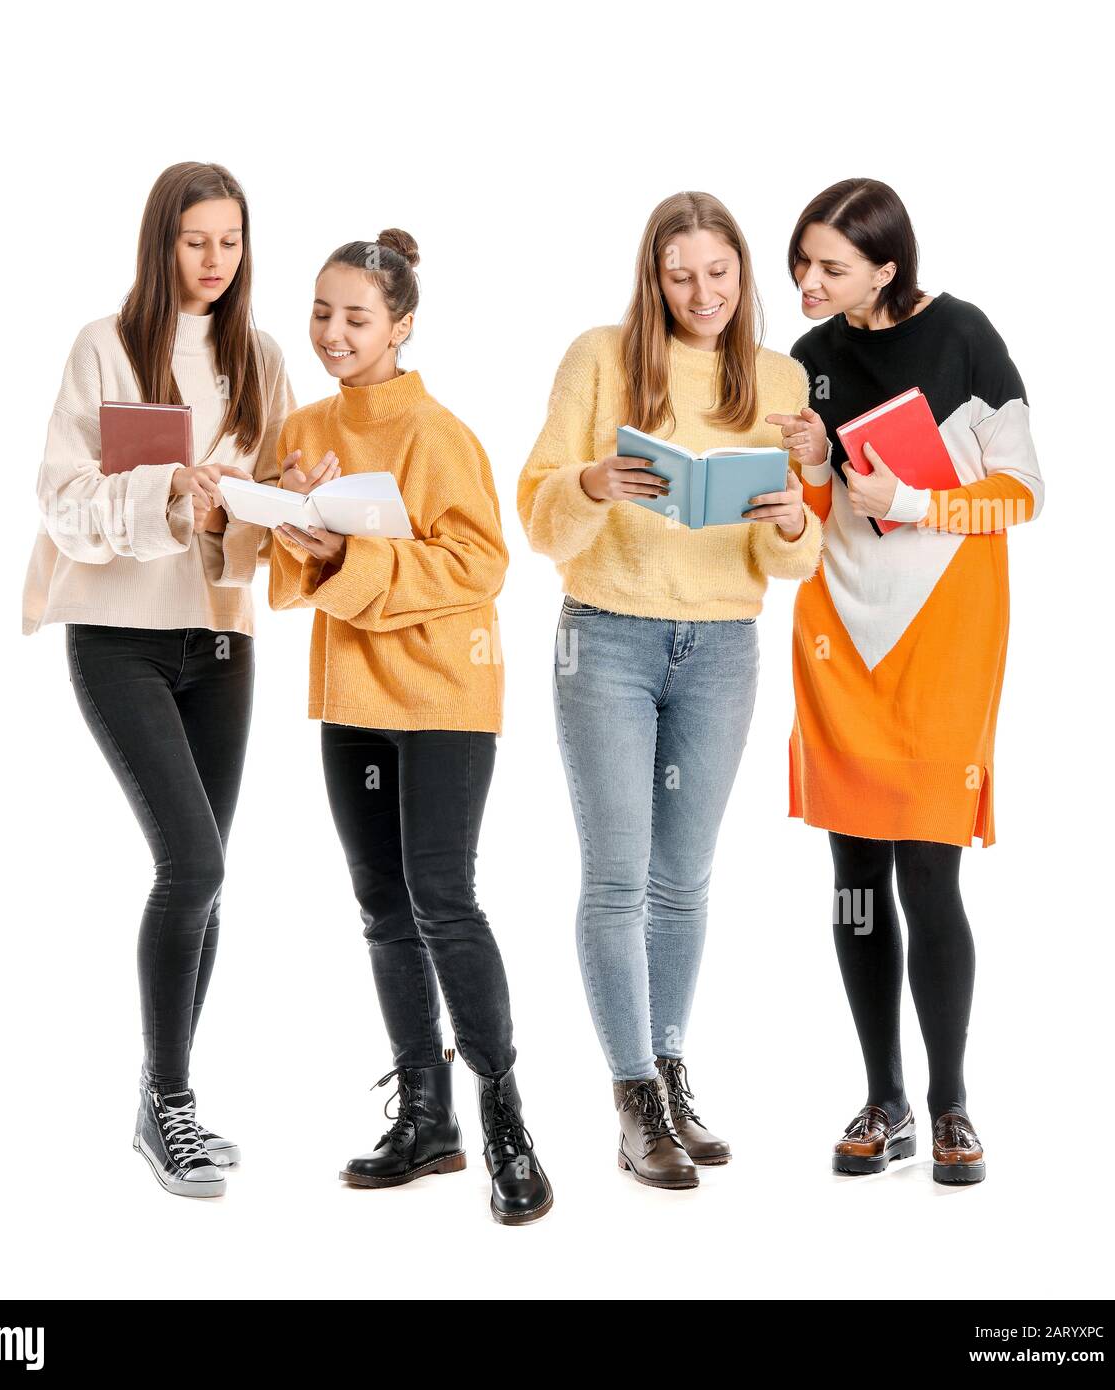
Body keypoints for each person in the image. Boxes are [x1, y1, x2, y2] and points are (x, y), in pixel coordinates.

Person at [518, 191, 822, 1189]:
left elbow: (795, 558)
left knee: (682, 880)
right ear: (653, 278)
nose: (702, 293)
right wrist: (592, 485)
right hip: (606, 636)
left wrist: (786, 519)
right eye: (681, 274)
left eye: (720, 274)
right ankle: (632, 1095)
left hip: (722, 647)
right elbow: (536, 506)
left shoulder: (777, 380)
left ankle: (672, 1066)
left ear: (743, 276)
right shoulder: (599, 357)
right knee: (616, 875)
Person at [269, 229, 552, 1225]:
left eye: (356, 317)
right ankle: (423, 1113)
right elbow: (284, 569)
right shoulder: (301, 426)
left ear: (401, 325)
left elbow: (481, 566)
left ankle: (505, 1114)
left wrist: (348, 552)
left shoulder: (440, 434)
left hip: (441, 695)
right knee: (382, 904)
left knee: (443, 898)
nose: (335, 333)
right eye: (320, 312)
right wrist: (276, 519)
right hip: (351, 695)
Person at [22, 161, 294, 1198]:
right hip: (117, 635)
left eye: (230, 242)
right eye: (196, 242)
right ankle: (167, 1106)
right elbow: (63, 501)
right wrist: (167, 489)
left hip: (220, 639)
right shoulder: (104, 345)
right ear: (160, 243)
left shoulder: (260, 357)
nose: (215, 261)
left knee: (208, 873)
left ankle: (165, 1098)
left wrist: (274, 497)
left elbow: (272, 515)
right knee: (190, 861)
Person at [779, 178, 1044, 1185]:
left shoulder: (965, 337)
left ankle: (950, 1105)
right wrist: (806, 464)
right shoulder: (805, 362)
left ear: (887, 269)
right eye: (800, 262)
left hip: (944, 635)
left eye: (830, 267)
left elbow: (1023, 493)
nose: (806, 282)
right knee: (853, 882)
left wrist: (918, 497)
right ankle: (881, 1098)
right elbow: (805, 522)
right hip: (836, 632)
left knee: (929, 876)